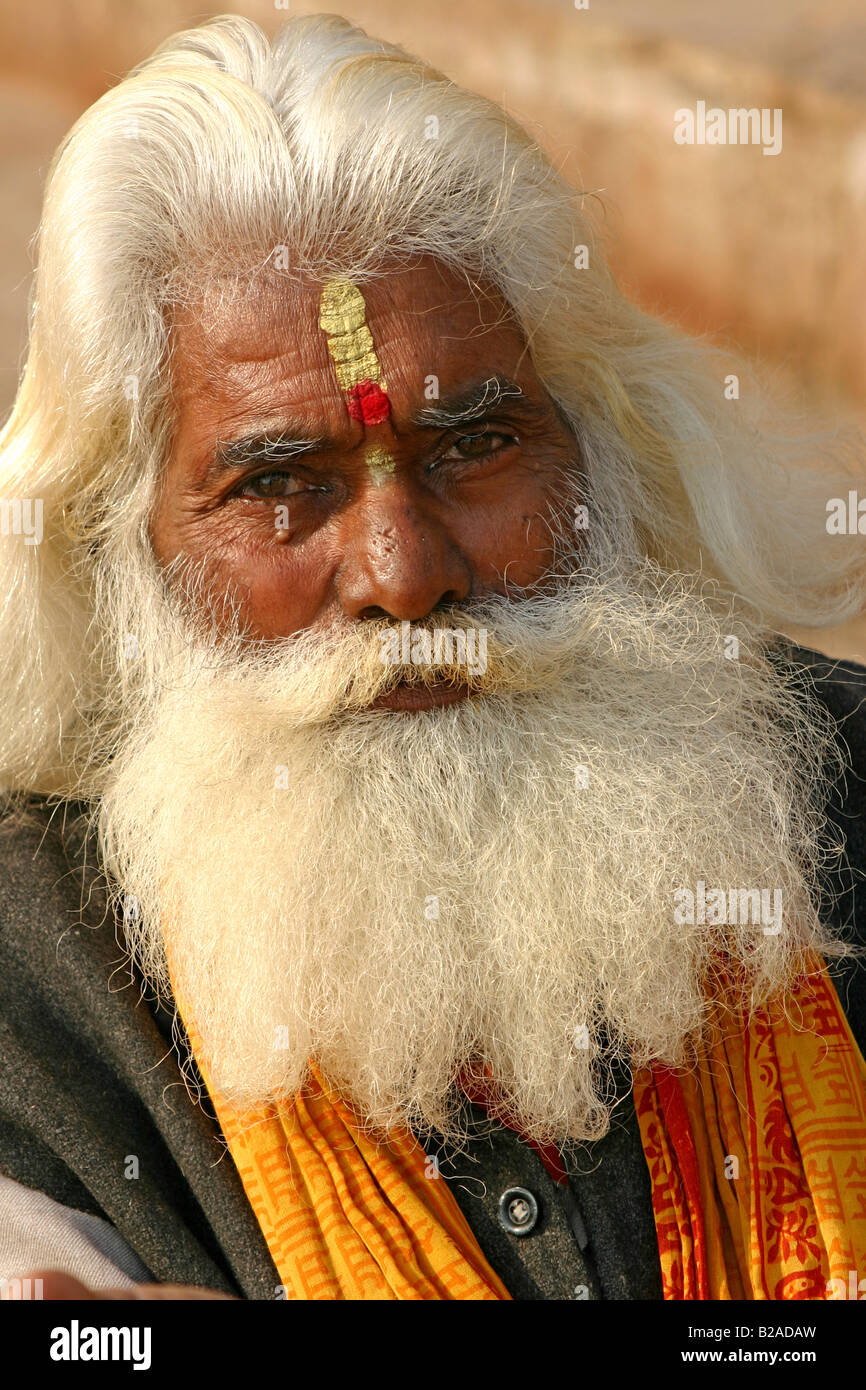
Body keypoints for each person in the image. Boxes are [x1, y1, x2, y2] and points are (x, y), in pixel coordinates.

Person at [0, 13, 864, 1303]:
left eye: (474, 444)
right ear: (120, 543)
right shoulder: (30, 977)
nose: (408, 575)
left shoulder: (832, 783)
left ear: (604, 452)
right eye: (281, 483)